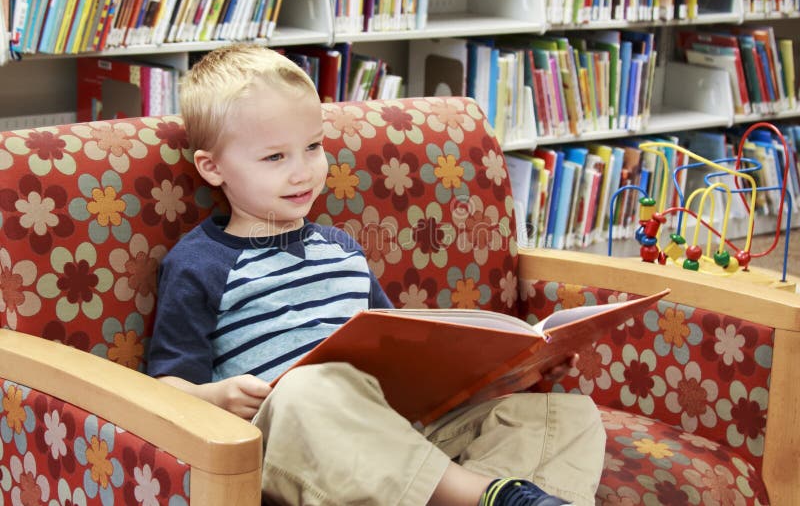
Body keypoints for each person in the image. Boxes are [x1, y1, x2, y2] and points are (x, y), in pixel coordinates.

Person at [146, 44, 606, 506]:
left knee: (560, 414)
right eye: (274, 158)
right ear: (212, 167)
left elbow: (397, 352)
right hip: (294, 449)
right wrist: (217, 397)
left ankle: (484, 496)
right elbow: (165, 389)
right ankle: (490, 495)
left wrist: (515, 369)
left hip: (392, 438)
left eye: (312, 147)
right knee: (308, 389)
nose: (303, 172)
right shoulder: (199, 264)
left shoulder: (341, 250)